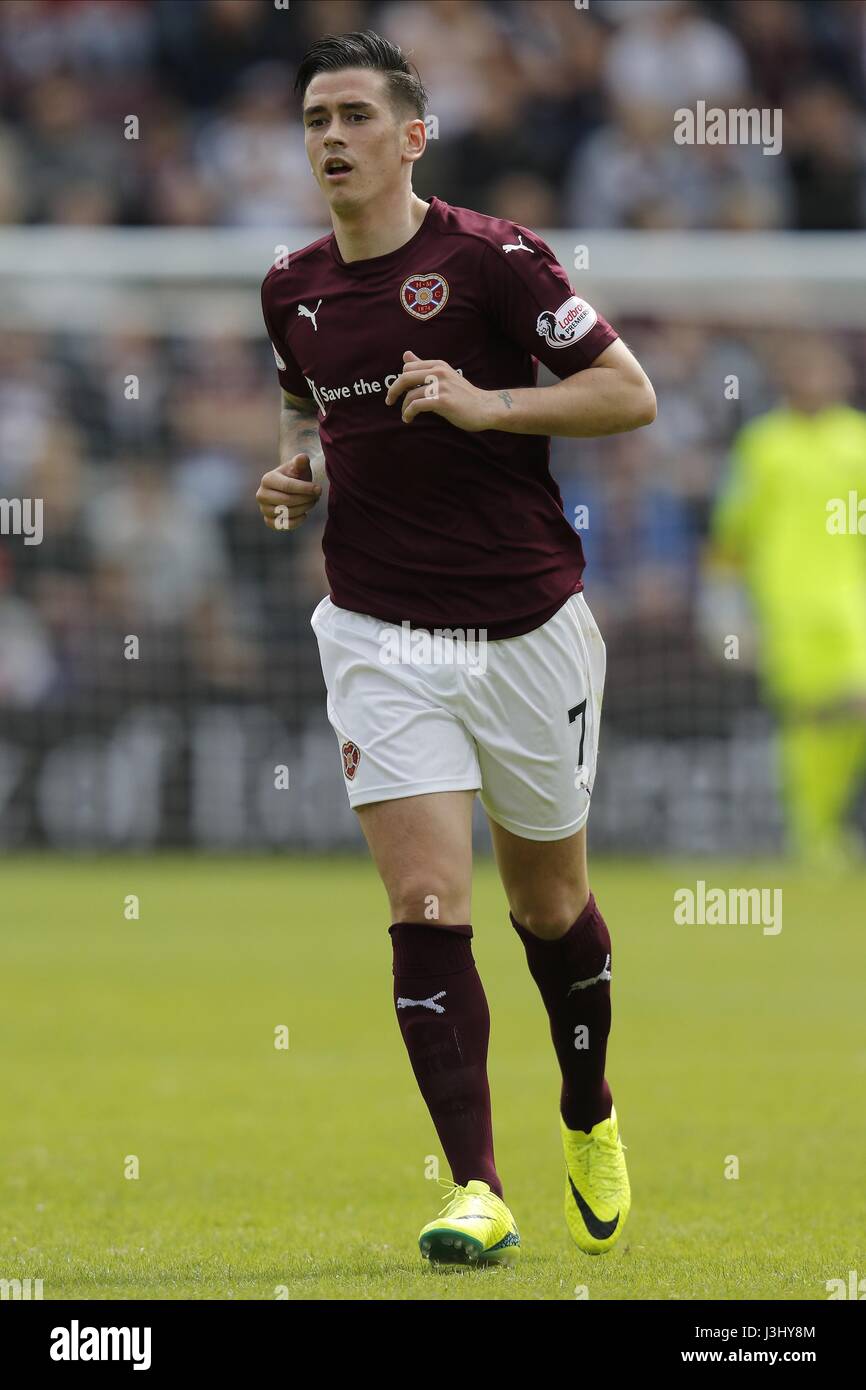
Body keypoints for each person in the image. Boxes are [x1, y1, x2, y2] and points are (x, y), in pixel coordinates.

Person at [257, 30, 656, 1265]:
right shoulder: (288, 284)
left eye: (356, 117)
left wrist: (490, 403)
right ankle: (475, 1186)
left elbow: (625, 391)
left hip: (526, 625)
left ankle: (585, 1111)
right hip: (378, 630)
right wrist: (294, 474)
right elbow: (305, 412)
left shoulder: (494, 261)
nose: (332, 137)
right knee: (426, 897)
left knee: (548, 905)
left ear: (411, 135)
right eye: (316, 117)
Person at [710, 336, 866, 866]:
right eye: (804, 371)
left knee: (854, 708)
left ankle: (821, 825)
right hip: (784, 602)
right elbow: (732, 530)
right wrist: (724, 605)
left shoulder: (858, 439)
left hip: (851, 601)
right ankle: (812, 836)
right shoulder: (763, 444)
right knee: (806, 718)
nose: (815, 381)